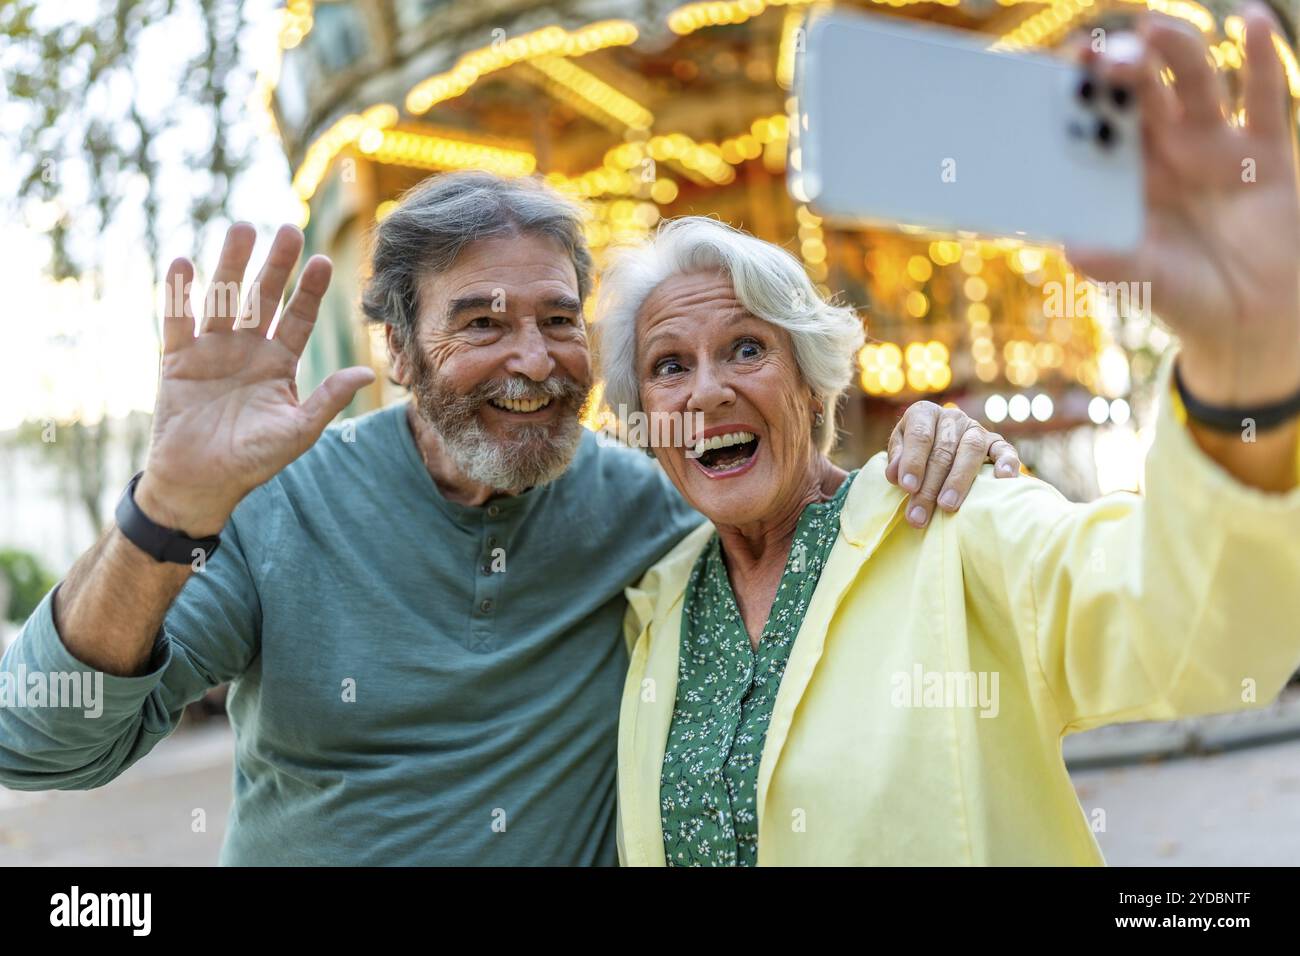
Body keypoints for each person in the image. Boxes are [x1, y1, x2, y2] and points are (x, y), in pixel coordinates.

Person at [0, 172, 1015, 865]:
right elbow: (38, 741)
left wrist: (944, 442)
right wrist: (165, 508)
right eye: (481, 322)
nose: (533, 360)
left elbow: (807, 496)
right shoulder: (278, 506)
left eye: (558, 320)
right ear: (397, 349)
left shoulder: (654, 509)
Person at [603, 8, 1300, 866]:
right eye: (670, 366)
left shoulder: (950, 516)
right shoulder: (653, 606)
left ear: (816, 380)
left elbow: (1188, 628)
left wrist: (1253, 371)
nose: (708, 389)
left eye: (747, 348)